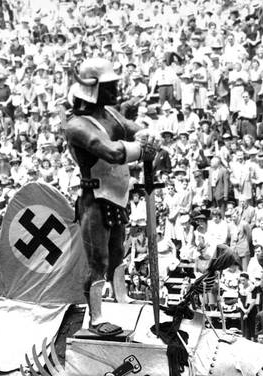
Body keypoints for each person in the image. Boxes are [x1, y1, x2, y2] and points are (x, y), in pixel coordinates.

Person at [64, 57, 161, 335]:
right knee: (98, 260)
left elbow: (130, 129)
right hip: (95, 197)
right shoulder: (78, 126)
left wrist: (146, 133)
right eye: (110, 84)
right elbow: (112, 151)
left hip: (117, 195)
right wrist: (143, 149)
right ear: (94, 88)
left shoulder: (109, 113)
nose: (116, 87)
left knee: (118, 251)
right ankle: (96, 318)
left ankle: (120, 296)